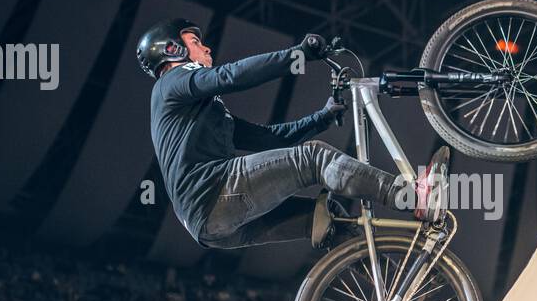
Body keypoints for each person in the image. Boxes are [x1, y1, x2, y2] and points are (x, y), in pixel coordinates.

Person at [139, 18, 448, 250]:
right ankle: (408, 196)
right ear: (172, 50)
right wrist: (296, 54)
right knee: (313, 158)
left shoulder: (203, 110)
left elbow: (268, 140)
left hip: (213, 224)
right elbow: (231, 76)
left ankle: (384, 295)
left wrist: (321, 118)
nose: (206, 47)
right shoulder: (172, 81)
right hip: (214, 195)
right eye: (195, 41)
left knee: (330, 218)